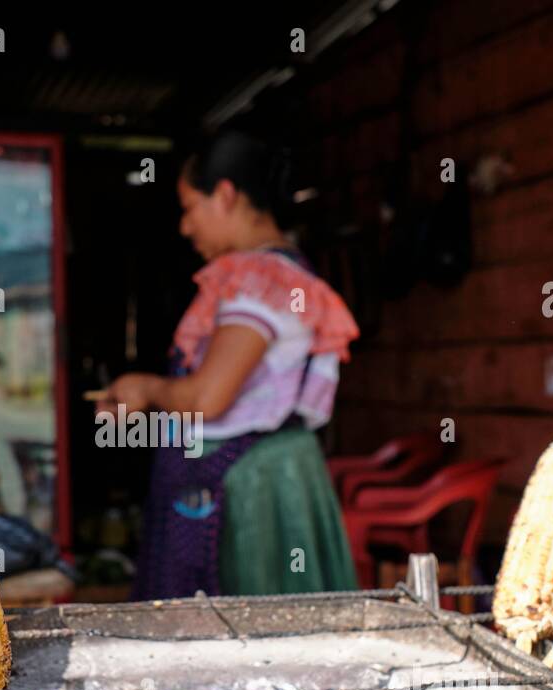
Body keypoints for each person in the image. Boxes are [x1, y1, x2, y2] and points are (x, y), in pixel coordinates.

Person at [97, 130, 360, 599]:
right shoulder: (268, 274)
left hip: (253, 493)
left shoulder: (264, 280)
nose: (185, 227)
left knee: (249, 642)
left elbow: (208, 399)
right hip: (250, 479)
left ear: (224, 195)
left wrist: (147, 389)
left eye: (189, 208)